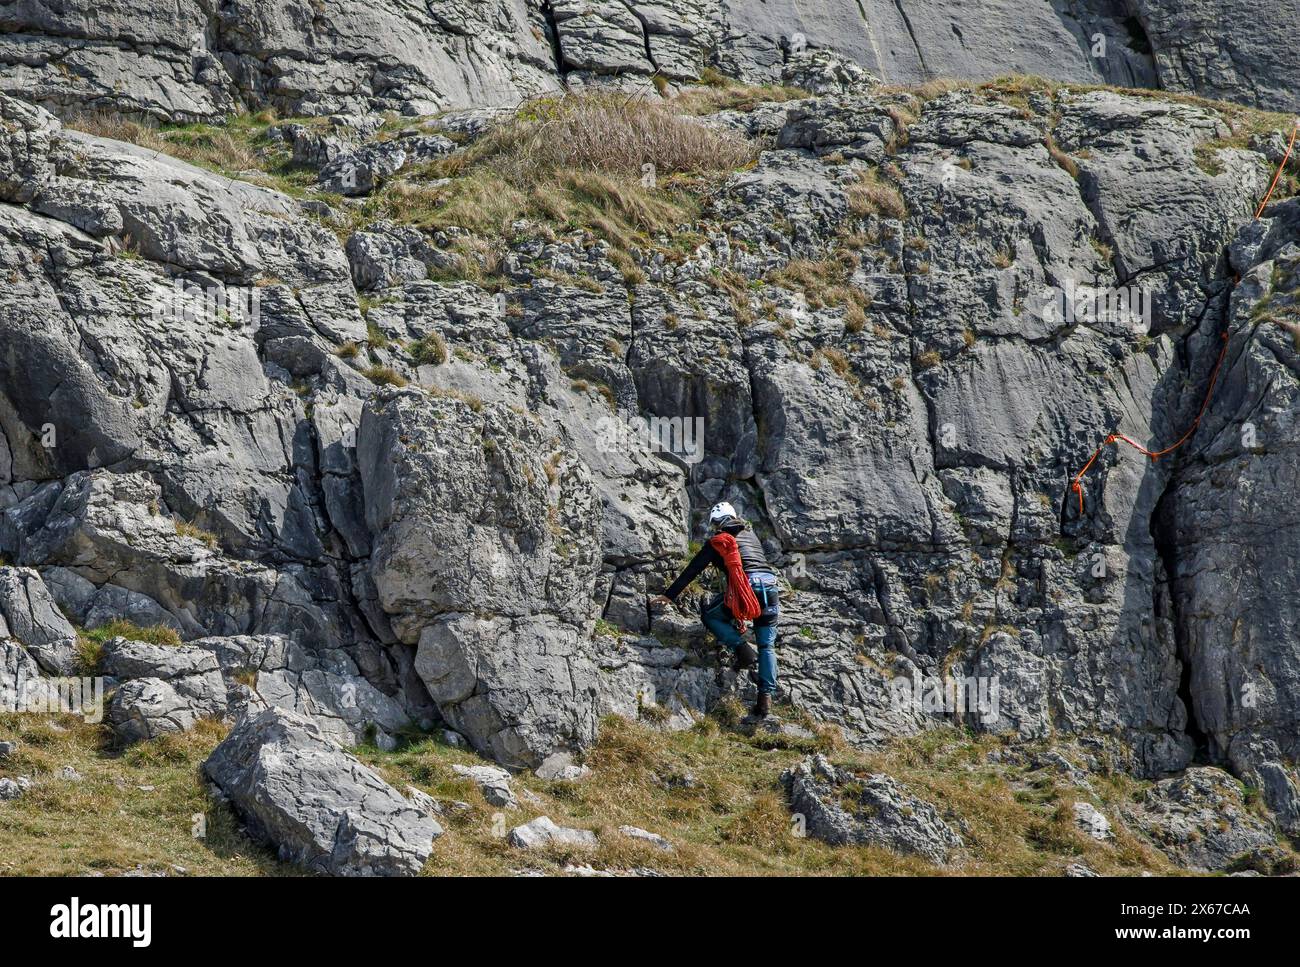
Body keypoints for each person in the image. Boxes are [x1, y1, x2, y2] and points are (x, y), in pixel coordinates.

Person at [651, 502, 781, 717]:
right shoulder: (751, 535)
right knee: (767, 645)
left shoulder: (718, 542)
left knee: (711, 616)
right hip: (770, 587)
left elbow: (693, 570)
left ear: (717, 524)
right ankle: (765, 699)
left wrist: (669, 595)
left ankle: (742, 649)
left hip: (747, 588)